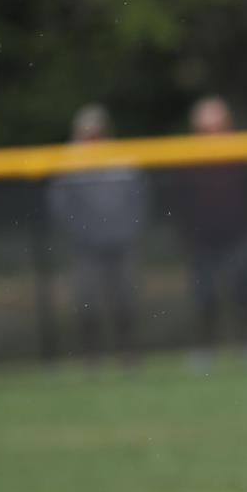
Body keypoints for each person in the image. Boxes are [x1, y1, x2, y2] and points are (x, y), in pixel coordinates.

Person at [46, 104, 149, 370]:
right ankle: (91, 358)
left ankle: (128, 355)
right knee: (86, 303)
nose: (93, 139)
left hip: (121, 243)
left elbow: (139, 199)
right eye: (87, 134)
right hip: (85, 246)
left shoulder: (121, 160)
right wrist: (81, 234)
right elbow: (60, 206)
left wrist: (127, 231)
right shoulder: (69, 163)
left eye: (97, 133)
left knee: (125, 301)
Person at [172, 96, 247, 370]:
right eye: (206, 127)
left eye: (218, 125)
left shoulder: (240, 151)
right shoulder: (188, 155)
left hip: (239, 236)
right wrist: (187, 235)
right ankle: (205, 351)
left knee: (244, 293)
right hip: (203, 239)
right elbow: (179, 201)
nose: (213, 132)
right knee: (205, 298)